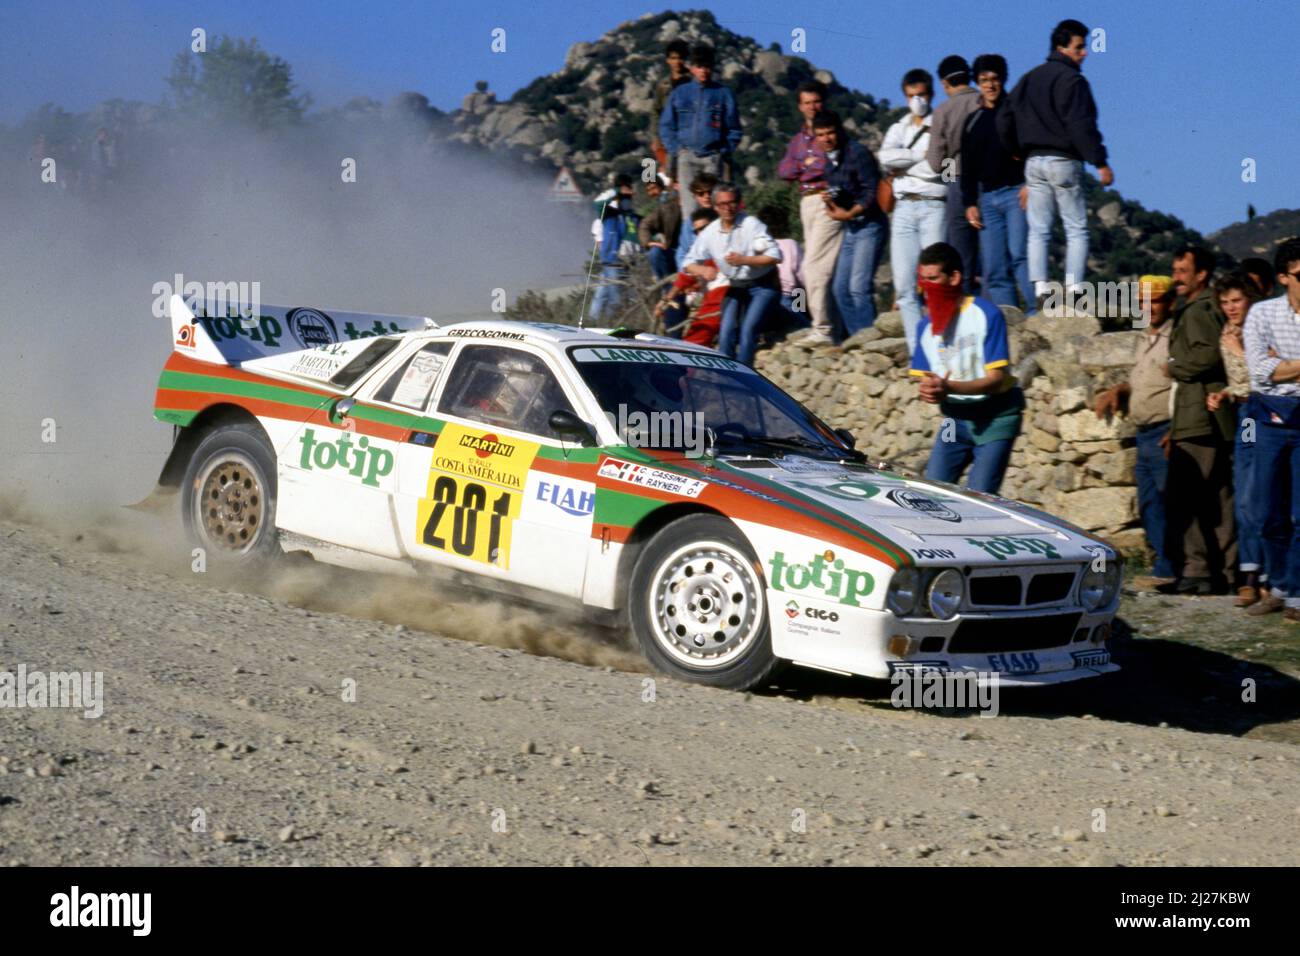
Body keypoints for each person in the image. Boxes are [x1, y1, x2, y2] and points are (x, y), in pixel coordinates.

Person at [999, 19, 1113, 308]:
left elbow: (1003, 118)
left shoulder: (1028, 78)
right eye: (1079, 47)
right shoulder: (1073, 81)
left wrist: (1014, 150)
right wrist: (1100, 162)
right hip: (1064, 160)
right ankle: (1074, 290)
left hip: (1033, 162)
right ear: (1062, 47)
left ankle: (1040, 290)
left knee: (1039, 229)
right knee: (1076, 228)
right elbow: (1081, 124)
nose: (1085, 52)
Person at [909, 242, 1024, 494]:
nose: (925, 287)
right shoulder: (924, 328)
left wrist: (948, 386)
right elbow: (928, 379)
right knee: (933, 491)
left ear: (954, 278)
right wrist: (930, 389)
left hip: (995, 419)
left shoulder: (986, 314)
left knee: (980, 496)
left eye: (933, 279)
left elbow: (995, 379)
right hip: (954, 420)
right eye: (922, 279)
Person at [1092, 276, 1177, 587]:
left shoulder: (1176, 338)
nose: (1149, 307)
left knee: (1172, 502)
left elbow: (1185, 385)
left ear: (1170, 302)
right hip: (1143, 433)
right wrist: (1120, 388)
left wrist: (1178, 428)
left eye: (1155, 300)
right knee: (1150, 503)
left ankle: (1180, 568)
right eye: (1143, 301)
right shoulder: (1145, 337)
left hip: (1165, 429)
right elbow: (1145, 380)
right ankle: (1164, 567)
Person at [1162, 246, 1235, 595]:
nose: (1176, 277)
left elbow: (1208, 353)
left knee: (1186, 497)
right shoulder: (1202, 307)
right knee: (1219, 497)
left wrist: (1174, 367)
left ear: (1201, 274)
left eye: (1182, 270)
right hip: (1207, 415)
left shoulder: (1197, 311)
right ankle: (1229, 571)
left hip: (1197, 415)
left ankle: (1197, 571)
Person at [1242, 238, 1300, 622]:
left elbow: (1277, 369)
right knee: (1265, 510)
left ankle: (1293, 591)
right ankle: (1277, 583)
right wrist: (1278, 367)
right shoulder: (1262, 315)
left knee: (1299, 512)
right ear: (1282, 277)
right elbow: (1260, 371)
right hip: (1269, 418)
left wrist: (1287, 364)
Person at [1205, 273, 1264, 607]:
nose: (1230, 308)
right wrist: (1224, 394)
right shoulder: (1227, 331)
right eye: (1225, 302)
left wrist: (1239, 351)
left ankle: (1264, 577)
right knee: (1244, 493)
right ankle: (1249, 574)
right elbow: (1241, 381)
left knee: (1259, 493)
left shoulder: (1259, 329)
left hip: (1263, 414)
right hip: (1245, 415)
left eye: (1236, 301)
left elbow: (1268, 374)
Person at [880, 68, 947, 353]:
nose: (917, 100)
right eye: (911, 95)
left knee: (935, 280)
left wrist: (906, 162)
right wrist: (921, 156)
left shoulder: (942, 123)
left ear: (931, 94)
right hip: (904, 207)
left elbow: (938, 168)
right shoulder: (899, 127)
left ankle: (941, 342)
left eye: (921, 94)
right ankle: (917, 350)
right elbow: (884, 158)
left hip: (934, 205)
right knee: (905, 286)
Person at [961, 54, 1034, 312]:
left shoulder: (1018, 114)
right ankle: (1010, 322)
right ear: (977, 83)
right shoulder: (972, 122)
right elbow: (967, 167)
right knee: (994, 267)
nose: (990, 85)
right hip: (987, 200)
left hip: (1017, 194)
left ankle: (1039, 314)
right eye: (984, 80)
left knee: (1021, 256)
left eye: (994, 79)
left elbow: (1031, 150)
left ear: (1003, 80)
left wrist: (1029, 183)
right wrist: (969, 202)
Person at [684, 182, 782, 365]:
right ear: (715, 207)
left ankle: (746, 373)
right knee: (726, 330)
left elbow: (776, 256)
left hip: (763, 285)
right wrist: (703, 269)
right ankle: (726, 374)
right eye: (722, 204)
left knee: (748, 329)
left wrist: (745, 260)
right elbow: (688, 263)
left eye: (732, 202)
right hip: (737, 287)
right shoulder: (710, 232)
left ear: (739, 203)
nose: (728, 208)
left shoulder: (751, 224)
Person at [776, 80, 840, 345]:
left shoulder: (830, 132)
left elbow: (825, 168)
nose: (812, 107)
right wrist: (806, 164)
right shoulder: (799, 140)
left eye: (817, 101)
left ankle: (822, 327)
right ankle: (828, 326)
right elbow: (784, 171)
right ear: (800, 106)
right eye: (807, 103)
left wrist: (806, 167)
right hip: (806, 202)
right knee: (817, 266)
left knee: (815, 266)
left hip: (827, 200)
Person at [814, 109, 887, 338]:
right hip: (851, 227)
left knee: (859, 287)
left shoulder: (857, 153)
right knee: (839, 289)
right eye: (821, 135)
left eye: (830, 133)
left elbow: (870, 192)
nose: (826, 139)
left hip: (869, 224)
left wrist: (848, 213)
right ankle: (857, 337)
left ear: (839, 131)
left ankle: (869, 339)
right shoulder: (828, 163)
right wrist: (831, 202)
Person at [659, 43, 741, 222]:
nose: (703, 71)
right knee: (689, 209)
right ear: (691, 67)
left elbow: (734, 129)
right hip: (686, 157)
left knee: (712, 207)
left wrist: (723, 150)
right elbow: (666, 125)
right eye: (699, 66)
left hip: (712, 157)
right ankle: (692, 247)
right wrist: (676, 150)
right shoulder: (679, 93)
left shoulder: (723, 94)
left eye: (707, 66)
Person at [925, 55, 982, 293]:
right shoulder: (984, 101)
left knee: (961, 254)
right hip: (990, 180)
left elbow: (936, 162)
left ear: (944, 83)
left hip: (958, 179)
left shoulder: (944, 110)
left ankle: (967, 305)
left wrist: (950, 166)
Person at [657, 207, 722, 339]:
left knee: (695, 341)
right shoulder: (701, 250)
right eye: (697, 230)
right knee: (674, 301)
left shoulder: (725, 246)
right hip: (709, 300)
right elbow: (685, 277)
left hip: (721, 302)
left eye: (704, 228)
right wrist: (664, 300)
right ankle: (672, 340)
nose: (700, 233)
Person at [588, 174, 639, 322]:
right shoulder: (608, 214)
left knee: (602, 295)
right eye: (627, 188)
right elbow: (598, 203)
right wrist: (618, 191)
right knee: (615, 300)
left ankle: (593, 323)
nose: (630, 193)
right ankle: (609, 325)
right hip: (613, 261)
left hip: (628, 262)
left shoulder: (631, 216)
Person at [650, 39, 691, 175]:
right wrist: (655, 137)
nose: (677, 62)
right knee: (669, 172)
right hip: (667, 135)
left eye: (680, 58)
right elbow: (656, 111)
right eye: (673, 58)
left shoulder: (692, 81)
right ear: (668, 60)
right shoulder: (663, 85)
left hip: (688, 134)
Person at [638, 173, 682, 283]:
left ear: (661, 186)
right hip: (672, 250)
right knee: (655, 252)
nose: (652, 193)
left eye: (654, 188)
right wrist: (649, 242)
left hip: (681, 248)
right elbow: (645, 225)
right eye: (649, 190)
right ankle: (664, 285)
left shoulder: (671, 200)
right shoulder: (659, 207)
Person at [674, 172, 718, 271]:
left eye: (709, 192)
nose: (706, 196)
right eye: (701, 193)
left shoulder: (726, 215)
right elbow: (682, 253)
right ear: (695, 196)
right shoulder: (690, 223)